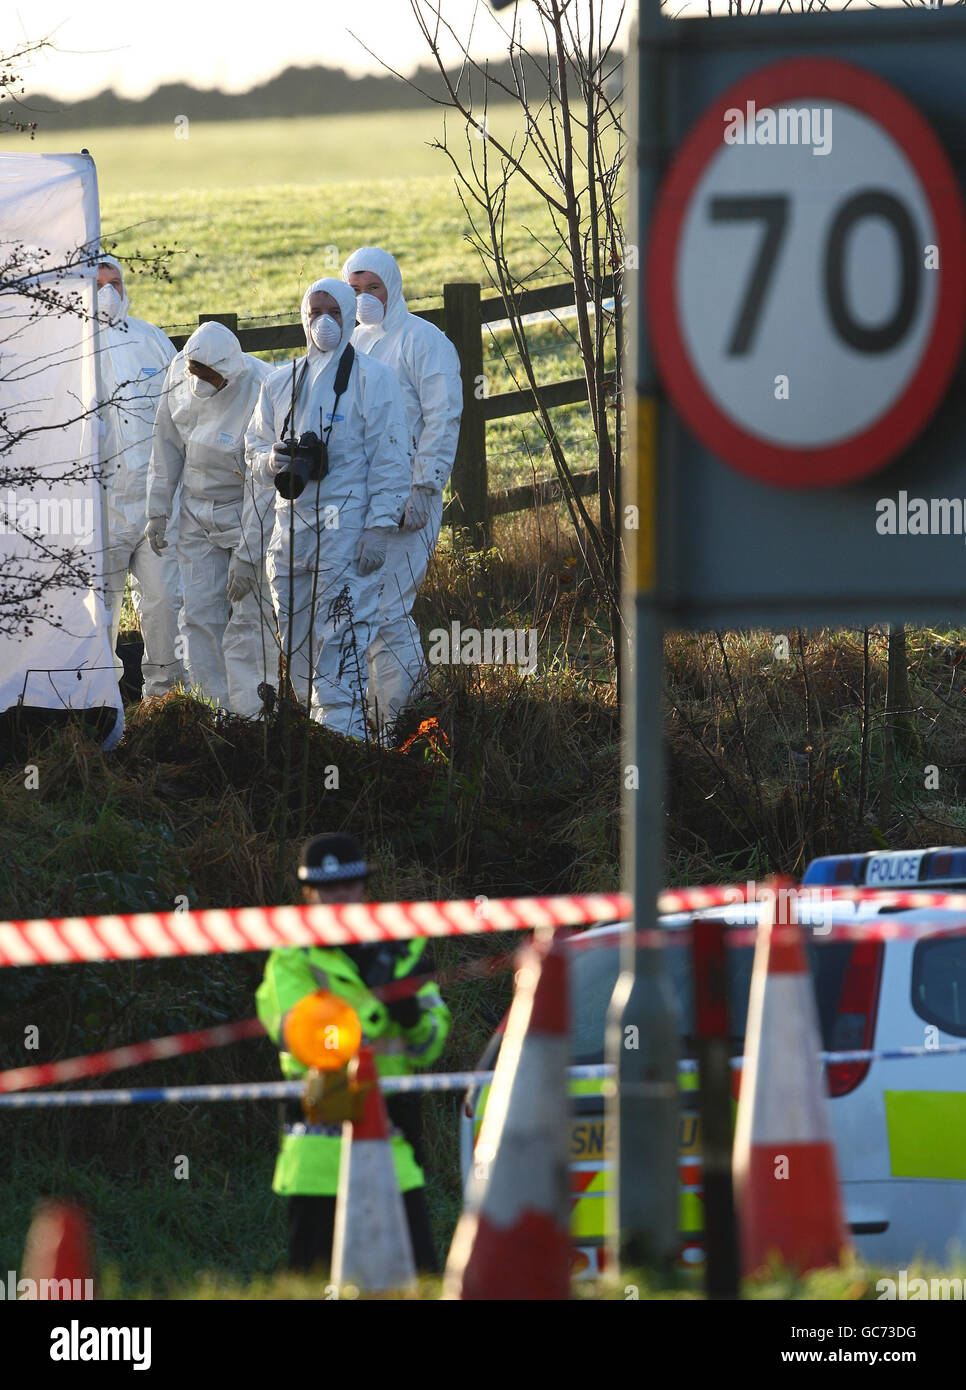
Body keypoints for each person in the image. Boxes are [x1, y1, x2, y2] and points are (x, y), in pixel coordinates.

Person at [255, 832, 451, 1275]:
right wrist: (383, 1013)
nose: (339, 897)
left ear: (364, 886)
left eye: (347, 885)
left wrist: (415, 1019)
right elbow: (305, 1036)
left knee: (417, 1279)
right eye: (327, 889)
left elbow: (432, 1039)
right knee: (315, 1282)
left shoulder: (403, 947)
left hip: (394, 1140)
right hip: (320, 1147)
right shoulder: (292, 956)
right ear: (309, 893)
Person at [244, 277, 411, 738]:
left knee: (341, 641)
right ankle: (322, 741)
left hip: (347, 533)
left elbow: (391, 459)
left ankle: (346, 746)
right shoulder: (281, 382)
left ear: (348, 314)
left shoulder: (373, 379)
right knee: (296, 645)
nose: (324, 322)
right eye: (314, 313)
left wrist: (379, 527)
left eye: (333, 312)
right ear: (304, 318)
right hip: (291, 532)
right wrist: (270, 459)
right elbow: (252, 448)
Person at [342, 247, 463, 732]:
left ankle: (405, 722)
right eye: (354, 291)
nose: (365, 298)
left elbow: (443, 414)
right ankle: (380, 721)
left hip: (411, 499)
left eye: (373, 287)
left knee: (389, 609)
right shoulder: (353, 343)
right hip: (365, 502)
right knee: (365, 611)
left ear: (392, 285)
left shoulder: (423, 341)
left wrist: (426, 487)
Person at [146, 320, 277, 716]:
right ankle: (214, 711)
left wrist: (250, 553)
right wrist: (157, 510)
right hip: (196, 513)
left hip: (245, 512)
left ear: (230, 371)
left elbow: (265, 482)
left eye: (211, 375)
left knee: (251, 618)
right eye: (196, 371)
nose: (202, 380)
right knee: (200, 614)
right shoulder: (176, 373)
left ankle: (255, 713)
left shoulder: (263, 386)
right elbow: (165, 444)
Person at [95, 256, 185, 699]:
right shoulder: (67, 347)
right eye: (97, 283)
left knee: (165, 605)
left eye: (115, 282)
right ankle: (99, 710)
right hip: (100, 509)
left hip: (155, 506)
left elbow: (180, 414)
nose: (108, 292)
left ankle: (166, 702)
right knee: (98, 613)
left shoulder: (151, 340)